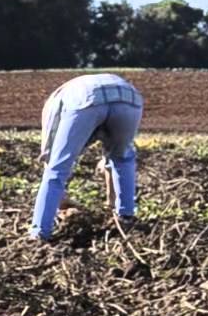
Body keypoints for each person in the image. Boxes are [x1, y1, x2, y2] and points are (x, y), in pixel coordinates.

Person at [30, 73, 143, 241]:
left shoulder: (54, 105)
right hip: (129, 98)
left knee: (57, 169)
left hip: (84, 100)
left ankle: (39, 232)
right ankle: (126, 218)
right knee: (122, 158)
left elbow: (50, 158)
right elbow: (110, 160)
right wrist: (111, 205)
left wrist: (62, 202)